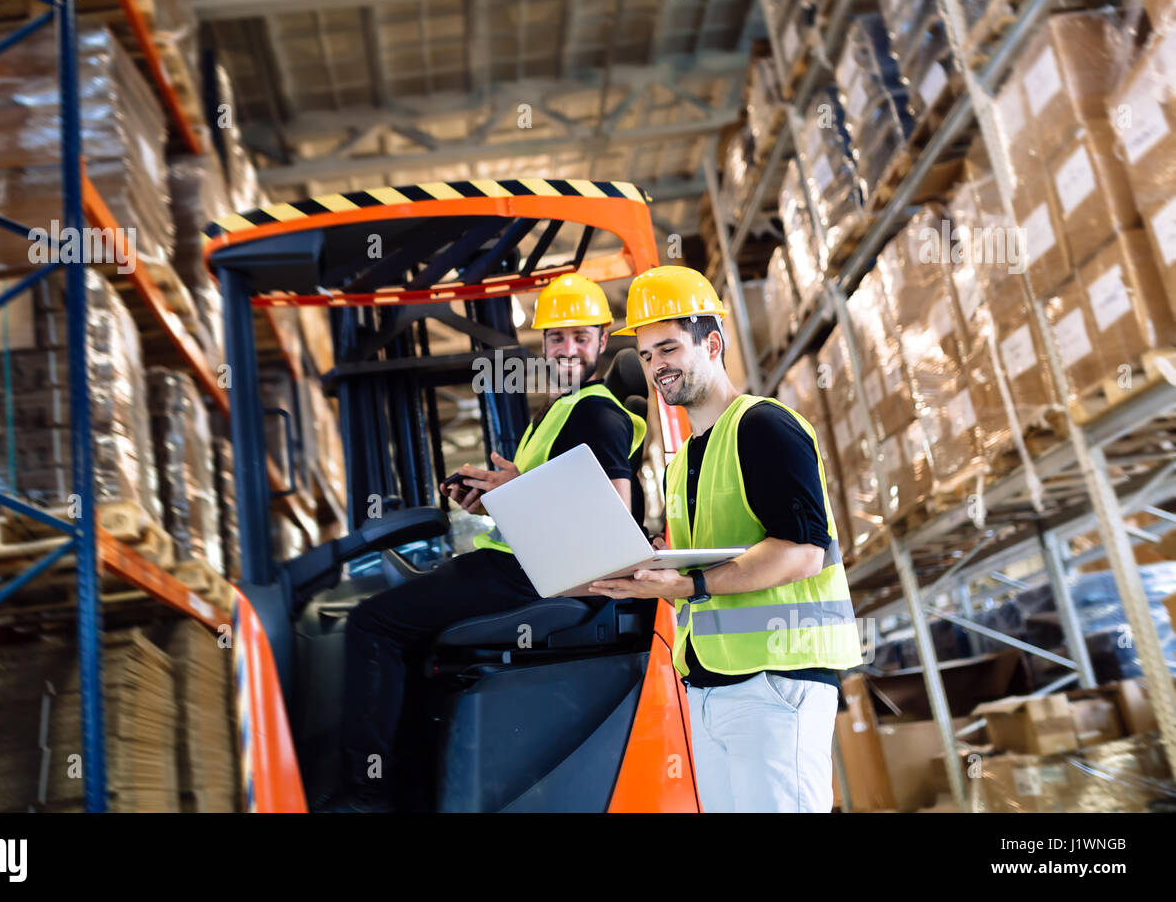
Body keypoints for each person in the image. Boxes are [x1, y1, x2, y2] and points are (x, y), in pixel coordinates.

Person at [325, 272, 646, 811]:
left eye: (580, 337)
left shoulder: (597, 411)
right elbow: (547, 501)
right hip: (525, 562)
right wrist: (491, 497)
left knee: (371, 623)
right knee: (410, 635)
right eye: (556, 338)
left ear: (602, 338)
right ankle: (410, 788)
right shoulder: (558, 412)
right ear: (542, 344)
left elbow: (613, 521)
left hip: (530, 575)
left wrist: (516, 490)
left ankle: (366, 795)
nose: (567, 348)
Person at [590, 265, 861, 813]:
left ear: (712, 343)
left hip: (778, 682)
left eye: (667, 349)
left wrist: (689, 586)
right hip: (711, 688)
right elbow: (701, 564)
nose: (656, 367)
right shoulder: (683, 459)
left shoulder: (763, 427)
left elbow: (803, 550)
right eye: (645, 356)